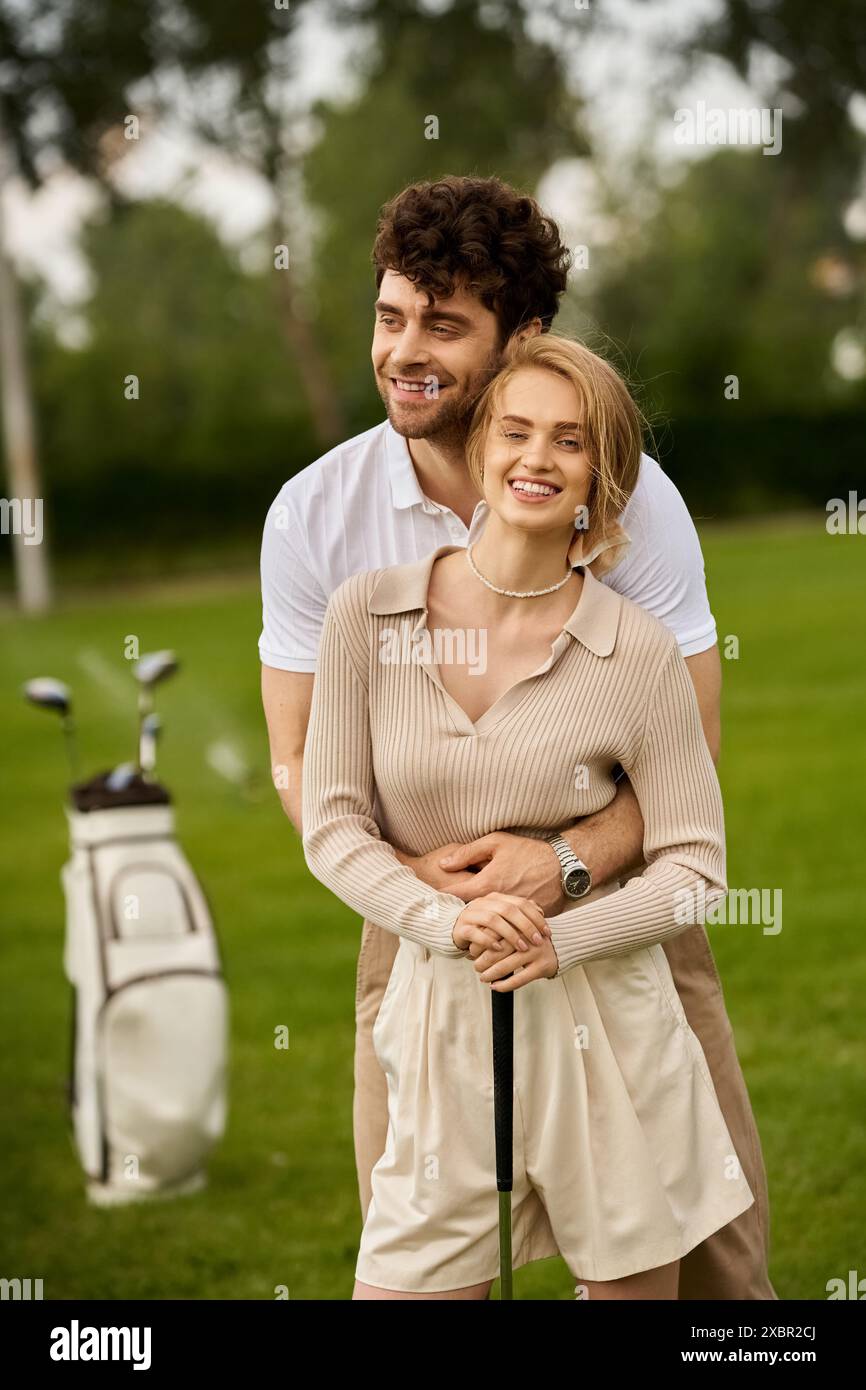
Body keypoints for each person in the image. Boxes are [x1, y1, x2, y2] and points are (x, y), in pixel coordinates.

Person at [259, 174, 776, 1299]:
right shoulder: (316, 518)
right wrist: (427, 895)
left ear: (520, 339)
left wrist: (566, 866)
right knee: (413, 1243)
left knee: (717, 1277)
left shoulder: (639, 505)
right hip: (415, 937)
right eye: (390, 317)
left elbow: (687, 758)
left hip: (619, 931)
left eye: (443, 325)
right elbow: (299, 767)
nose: (405, 352)